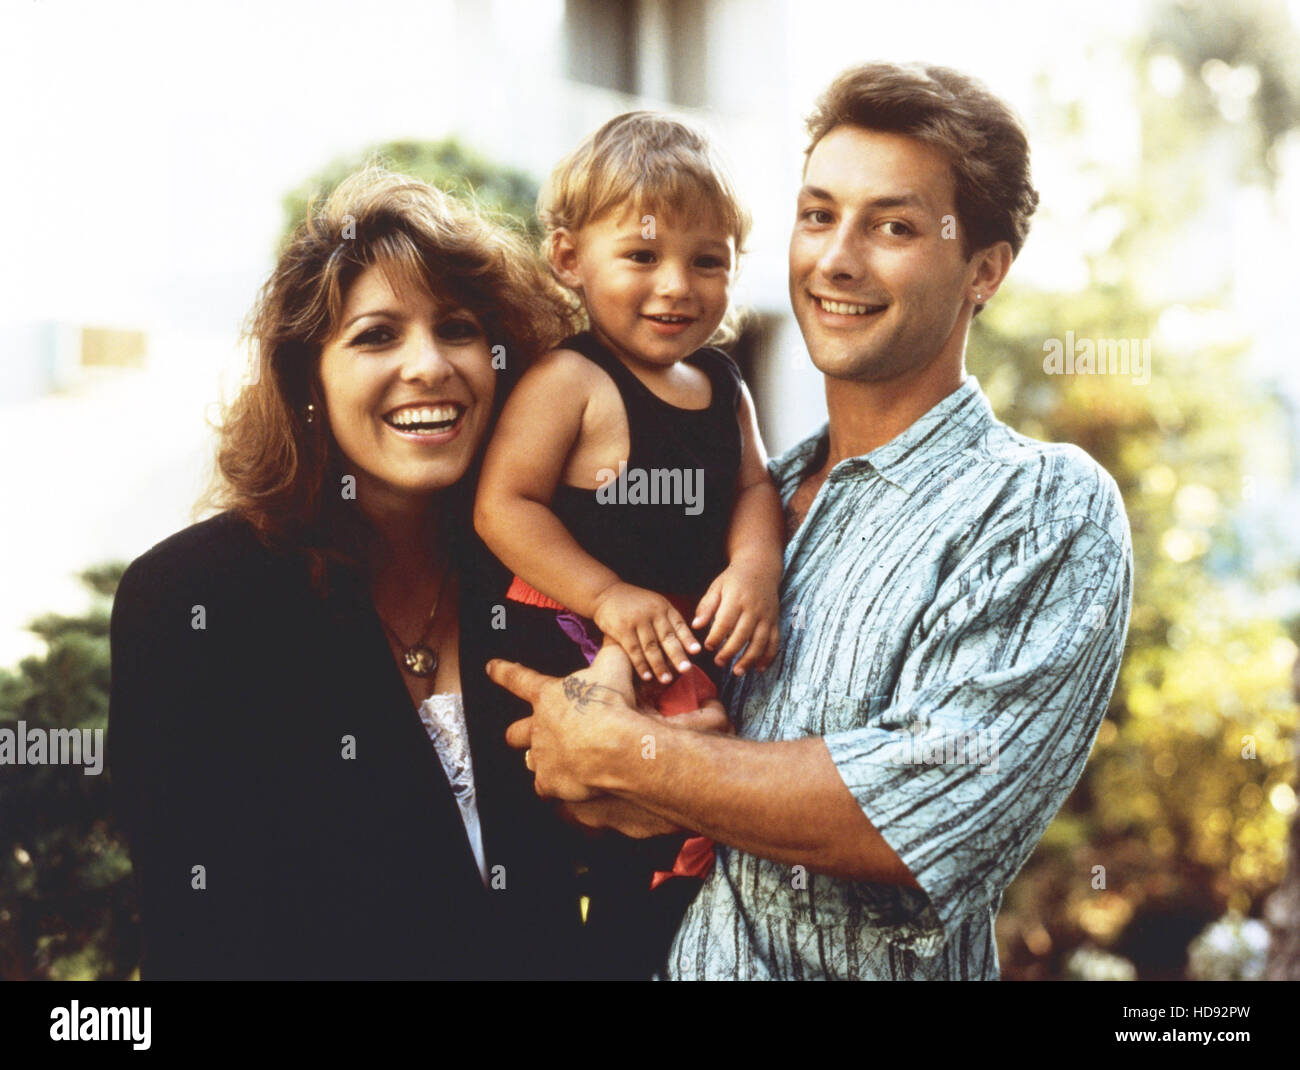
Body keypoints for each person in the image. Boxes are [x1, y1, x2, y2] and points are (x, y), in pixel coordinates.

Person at [487, 63, 1135, 980]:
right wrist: (588, 773)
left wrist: (629, 755)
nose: (836, 258)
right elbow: (591, 765)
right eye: (819, 214)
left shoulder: (1038, 508)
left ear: (983, 270)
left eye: (894, 226)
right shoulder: (744, 492)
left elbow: (919, 807)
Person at [108, 167, 586, 979]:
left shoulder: (544, 579)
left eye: (460, 329)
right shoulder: (194, 601)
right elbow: (195, 936)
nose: (430, 366)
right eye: (376, 336)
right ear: (308, 380)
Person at [473, 112, 784, 978]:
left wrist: (756, 564)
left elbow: (755, 488)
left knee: (691, 849)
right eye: (642, 256)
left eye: (707, 260)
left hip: (677, 639)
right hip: (579, 631)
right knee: (617, 852)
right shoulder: (571, 380)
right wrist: (607, 593)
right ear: (570, 259)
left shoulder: (724, 384)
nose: (676, 285)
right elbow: (504, 507)